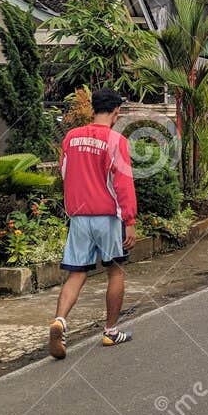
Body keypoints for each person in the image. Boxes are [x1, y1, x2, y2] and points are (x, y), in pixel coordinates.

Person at [48, 86, 137, 359]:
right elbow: (123, 183)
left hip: (79, 217)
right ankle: (110, 331)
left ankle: (60, 322)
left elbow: (64, 172)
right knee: (115, 271)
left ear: (92, 108)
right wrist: (130, 219)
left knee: (76, 274)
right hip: (107, 217)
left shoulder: (71, 137)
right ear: (116, 111)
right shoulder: (115, 140)